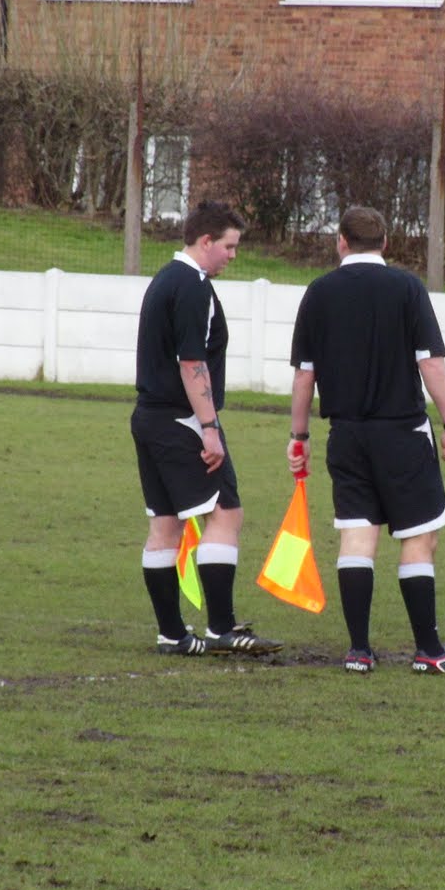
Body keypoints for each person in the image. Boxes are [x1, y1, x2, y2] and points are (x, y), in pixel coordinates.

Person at [286, 206, 445, 676]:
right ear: (386, 243)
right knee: (418, 538)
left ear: (340, 242)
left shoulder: (319, 292)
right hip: (401, 433)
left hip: (346, 434)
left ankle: (358, 650)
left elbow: (304, 376)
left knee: (357, 536)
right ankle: (429, 651)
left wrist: (299, 435)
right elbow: (430, 364)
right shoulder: (407, 287)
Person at [133, 200, 282, 657]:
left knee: (165, 525)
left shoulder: (164, 278)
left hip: (149, 418)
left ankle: (172, 635)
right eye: (229, 246)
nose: (233, 256)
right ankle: (220, 628)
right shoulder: (193, 286)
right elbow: (191, 362)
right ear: (205, 241)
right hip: (182, 421)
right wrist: (210, 427)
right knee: (225, 514)